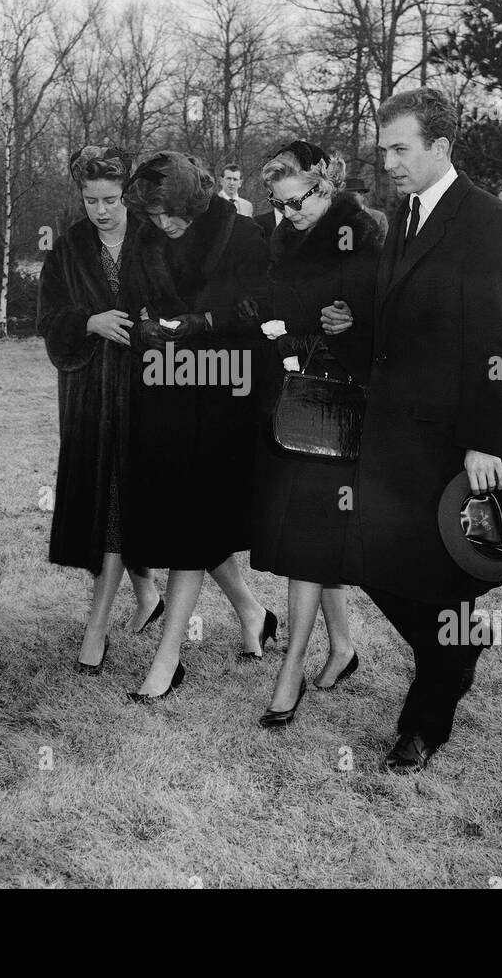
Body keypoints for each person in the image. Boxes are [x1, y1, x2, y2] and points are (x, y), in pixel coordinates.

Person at [341, 88, 502, 772]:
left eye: (401, 149)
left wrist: (485, 439)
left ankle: (427, 722)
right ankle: (454, 650)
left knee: (441, 578)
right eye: (383, 148)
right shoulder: (406, 214)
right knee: (371, 561)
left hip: (451, 439)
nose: (388, 161)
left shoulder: (484, 223)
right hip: (392, 433)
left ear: (440, 148)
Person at [121, 151, 276, 701]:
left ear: (192, 198)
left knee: (192, 517)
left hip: (225, 392)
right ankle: (253, 611)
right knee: (189, 516)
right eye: (153, 215)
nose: (162, 224)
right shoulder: (144, 237)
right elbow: (132, 298)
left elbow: (262, 309)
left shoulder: (241, 234)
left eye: (170, 213)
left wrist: (204, 322)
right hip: (164, 387)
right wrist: (145, 327)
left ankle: (169, 656)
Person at [251, 142, 382, 727]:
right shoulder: (285, 235)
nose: (288, 213)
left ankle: (291, 668)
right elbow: (275, 308)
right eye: (279, 205)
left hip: (338, 402)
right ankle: (344, 646)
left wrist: (351, 324)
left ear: (326, 183)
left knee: (308, 536)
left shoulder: (362, 231)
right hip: (294, 400)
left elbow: (389, 317)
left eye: (297, 201)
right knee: (313, 534)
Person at [35, 145, 166, 673]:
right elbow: (49, 316)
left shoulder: (157, 238)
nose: (101, 210)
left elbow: (187, 309)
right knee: (109, 496)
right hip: (90, 394)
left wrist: (146, 330)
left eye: (110, 199)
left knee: (144, 499)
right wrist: (89, 322)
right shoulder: (67, 248)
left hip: (149, 391)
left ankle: (101, 625)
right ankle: (140, 602)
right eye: (90, 200)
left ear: (127, 192)